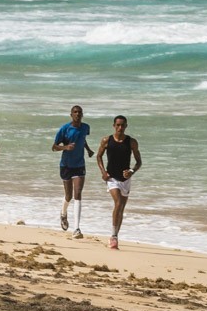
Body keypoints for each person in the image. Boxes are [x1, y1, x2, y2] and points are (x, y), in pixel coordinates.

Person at [96, 114, 141, 249]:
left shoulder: (131, 142)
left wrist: (131, 171)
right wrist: (103, 172)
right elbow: (99, 156)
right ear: (114, 126)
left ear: (126, 126)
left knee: (121, 208)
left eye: (122, 125)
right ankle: (113, 237)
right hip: (112, 178)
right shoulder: (106, 140)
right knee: (118, 202)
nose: (120, 127)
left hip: (125, 179)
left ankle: (115, 234)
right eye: (118, 125)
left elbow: (139, 162)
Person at [51, 104, 91, 235]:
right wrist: (66, 147)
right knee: (68, 195)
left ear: (82, 115)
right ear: (71, 115)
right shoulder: (65, 129)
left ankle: (76, 228)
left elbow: (82, 139)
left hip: (79, 165)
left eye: (79, 112)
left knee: (77, 194)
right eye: (75, 112)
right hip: (66, 165)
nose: (77, 114)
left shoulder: (86, 127)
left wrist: (88, 149)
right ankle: (63, 213)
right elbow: (54, 147)